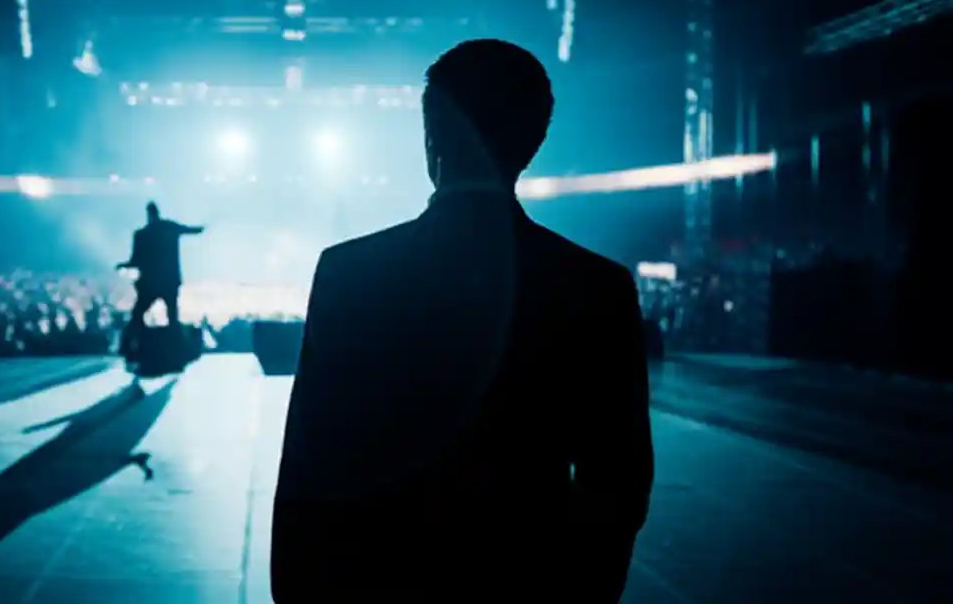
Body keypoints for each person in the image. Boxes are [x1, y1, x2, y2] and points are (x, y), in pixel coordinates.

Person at [271, 40, 653, 601]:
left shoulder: (349, 273)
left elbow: (312, 455)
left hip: (374, 581)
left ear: (432, 136)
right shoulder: (595, 286)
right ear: (532, 142)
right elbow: (618, 477)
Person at [116, 202, 204, 349]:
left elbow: (136, 260)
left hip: (149, 283)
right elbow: (192, 230)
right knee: (172, 315)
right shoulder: (169, 228)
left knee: (138, 313)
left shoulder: (142, 235)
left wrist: (124, 265)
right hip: (169, 281)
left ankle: (129, 345)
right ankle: (176, 346)